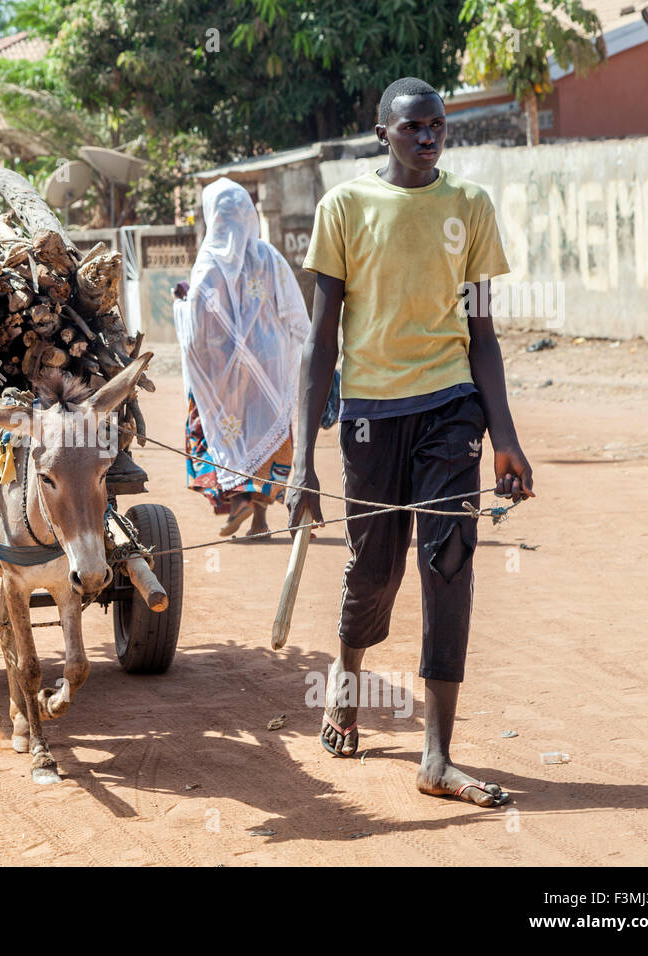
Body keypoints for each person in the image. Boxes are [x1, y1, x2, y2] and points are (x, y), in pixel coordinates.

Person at [288, 77, 535, 807]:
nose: (428, 138)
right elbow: (318, 341)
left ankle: (437, 756)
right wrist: (302, 460)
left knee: (448, 563)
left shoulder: (470, 208)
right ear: (382, 134)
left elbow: (483, 336)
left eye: (438, 126)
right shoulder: (345, 208)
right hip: (369, 415)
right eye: (413, 128)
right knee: (375, 569)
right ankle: (346, 675)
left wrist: (506, 440)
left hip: (452, 408)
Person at [175, 178, 309, 538]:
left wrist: (180, 306)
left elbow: (199, 328)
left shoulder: (207, 263)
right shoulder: (268, 255)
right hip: (267, 364)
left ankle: (238, 501)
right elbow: (294, 312)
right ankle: (261, 519)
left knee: (224, 432)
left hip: (222, 370)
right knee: (265, 431)